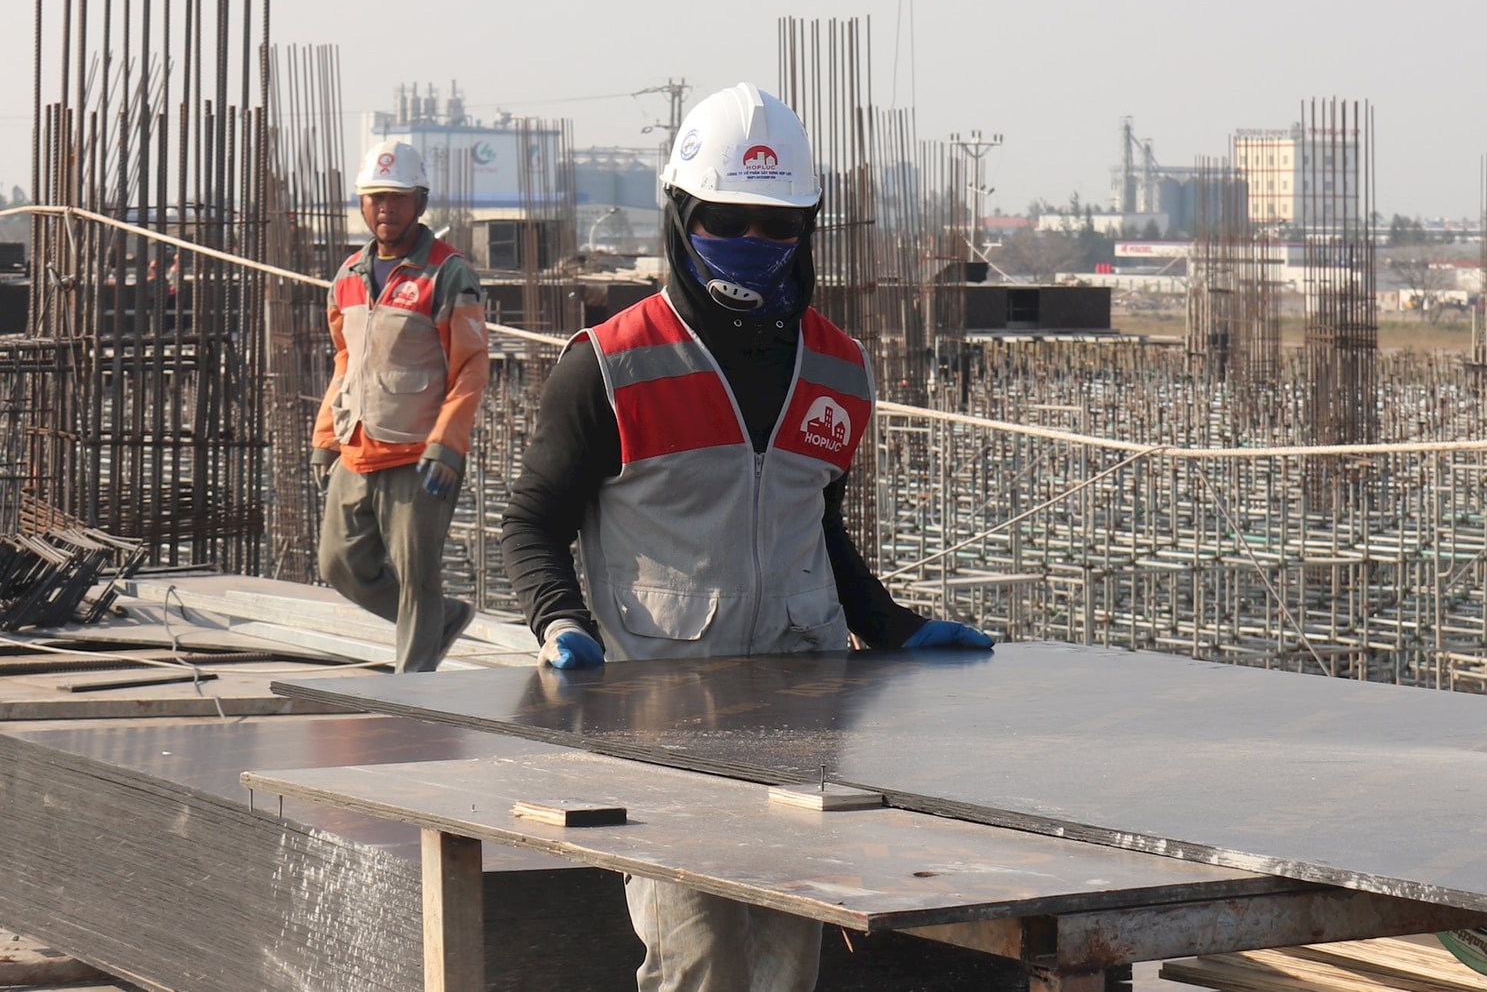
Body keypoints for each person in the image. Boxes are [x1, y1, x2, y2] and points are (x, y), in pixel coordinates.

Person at [502, 82, 991, 992]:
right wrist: (559, 620)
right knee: (697, 961)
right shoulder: (609, 366)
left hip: (802, 714)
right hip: (664, 715)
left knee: (782, 958)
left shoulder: (839, 368)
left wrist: (888, 621)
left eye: (778, 226)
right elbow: (534, 519)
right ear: (683, 216)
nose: (757, 246)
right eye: (731, 221)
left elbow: (816, 522)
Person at [311, 140, 489, 673]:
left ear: (420, 201)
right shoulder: (346, 277)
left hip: (420, 455)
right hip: (357, 447)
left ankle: (412, 690)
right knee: (338, 563)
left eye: (396, 198)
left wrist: (447, 445)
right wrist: (325, 441)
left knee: (418, 579)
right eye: (375, 198)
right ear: (362, 205)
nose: (385, 209)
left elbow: (471, 367)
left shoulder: (448, 273)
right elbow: (345, 365)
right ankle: (442, 621)